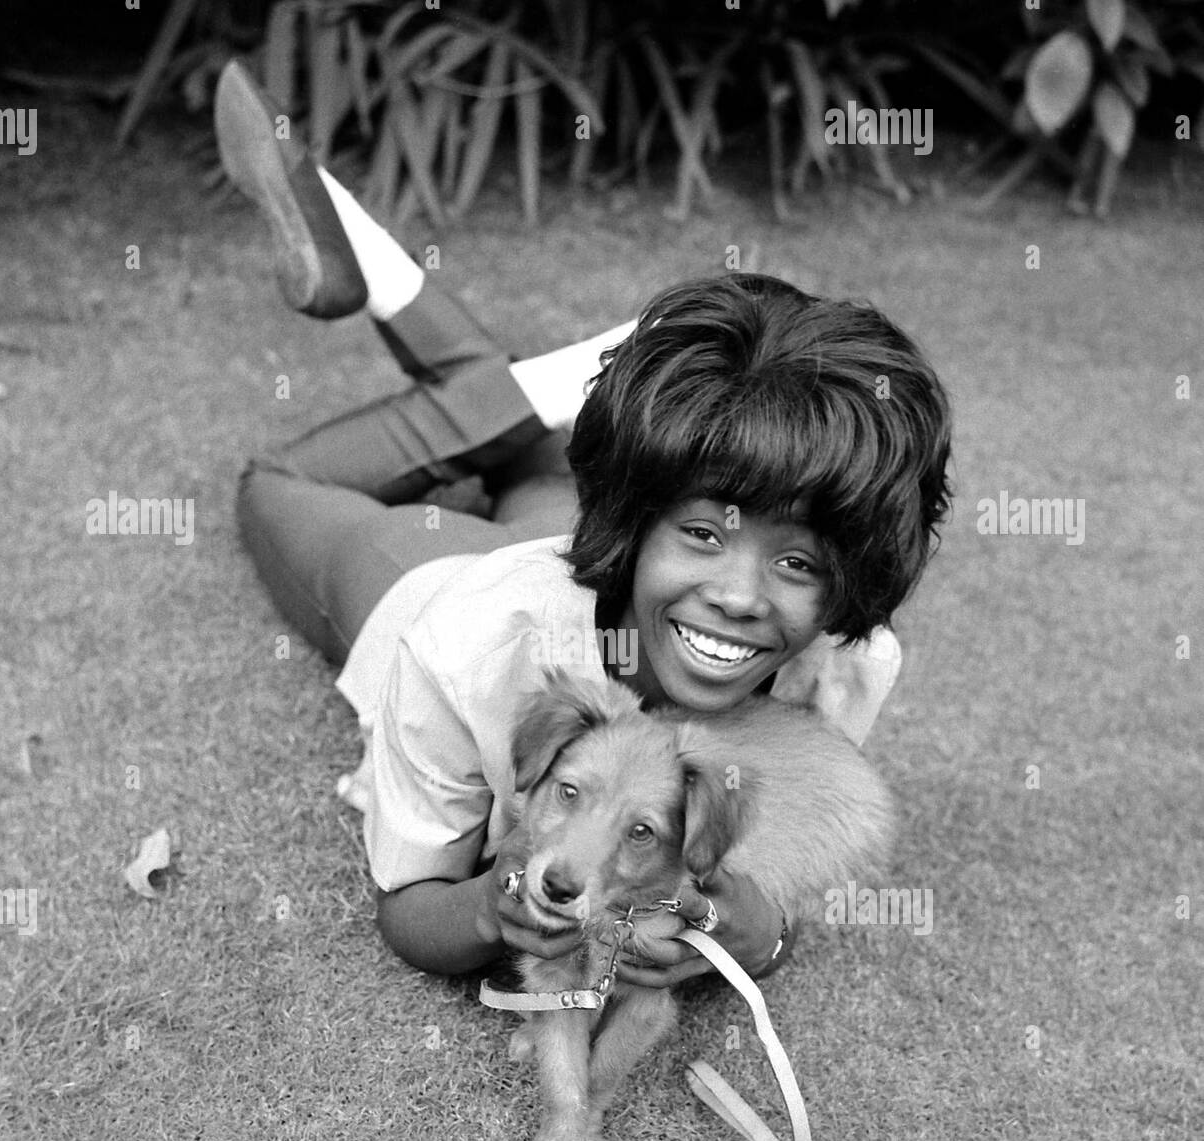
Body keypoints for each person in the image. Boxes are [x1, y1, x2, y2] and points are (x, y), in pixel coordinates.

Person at [214, 60, 952, 991]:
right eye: (708, 536)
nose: (738, 596)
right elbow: (411, 906)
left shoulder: (845, 663)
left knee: (524, 454)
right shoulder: (469, 642)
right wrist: (497, 905)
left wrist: (741, 930)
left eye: (798, 561)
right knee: (272, 481)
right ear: (638, 518)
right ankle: (567, 380)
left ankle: (541, 367)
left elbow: (765, 887)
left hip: (589, 539)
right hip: (428, 576)